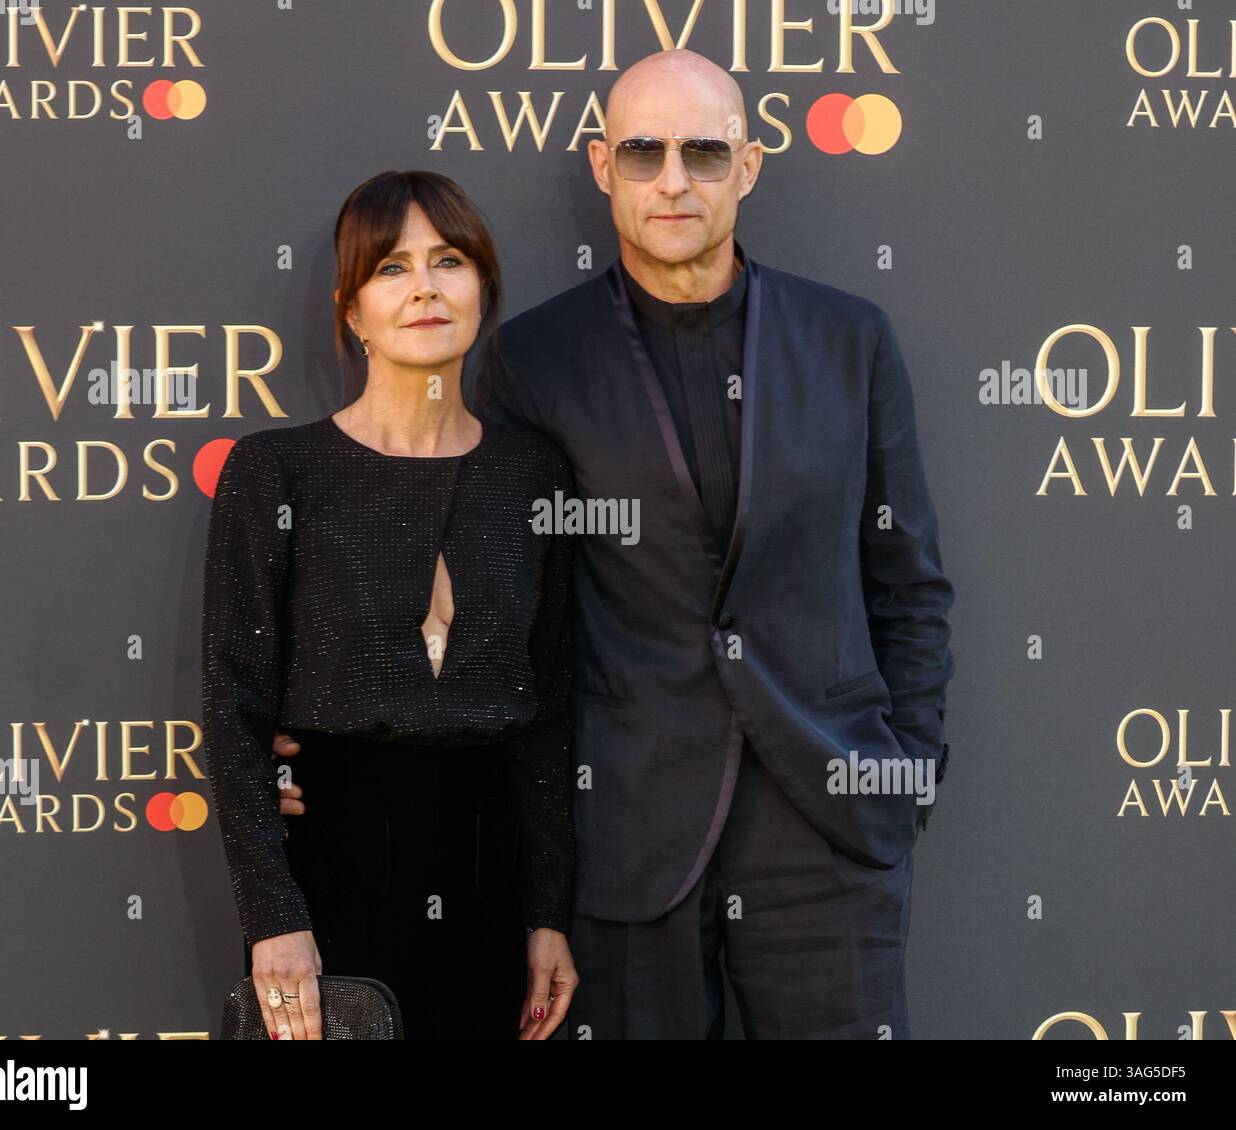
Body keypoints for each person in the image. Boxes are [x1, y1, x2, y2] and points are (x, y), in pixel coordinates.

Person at [281, 47, 955, 1040]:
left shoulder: (850, 340)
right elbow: (495, 605)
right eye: (643, 152)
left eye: (703, 152)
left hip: (827, 835)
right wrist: (325, 747)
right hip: (628, 841)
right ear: (602, 166)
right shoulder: (533, 358)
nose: (672, 179)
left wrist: (903, 774)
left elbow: (908, 586)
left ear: (751, 164)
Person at [200, 170, 579, 1041]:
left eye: (448, 261)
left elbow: (549, 714)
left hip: (489, 880)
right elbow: (233, 702)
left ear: (483, 285)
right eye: (391, 268)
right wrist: (271, 916)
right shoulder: (276, 472)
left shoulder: (535, 478)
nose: (424, 289)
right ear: (351, 307)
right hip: (328, 878)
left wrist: (548, 912)